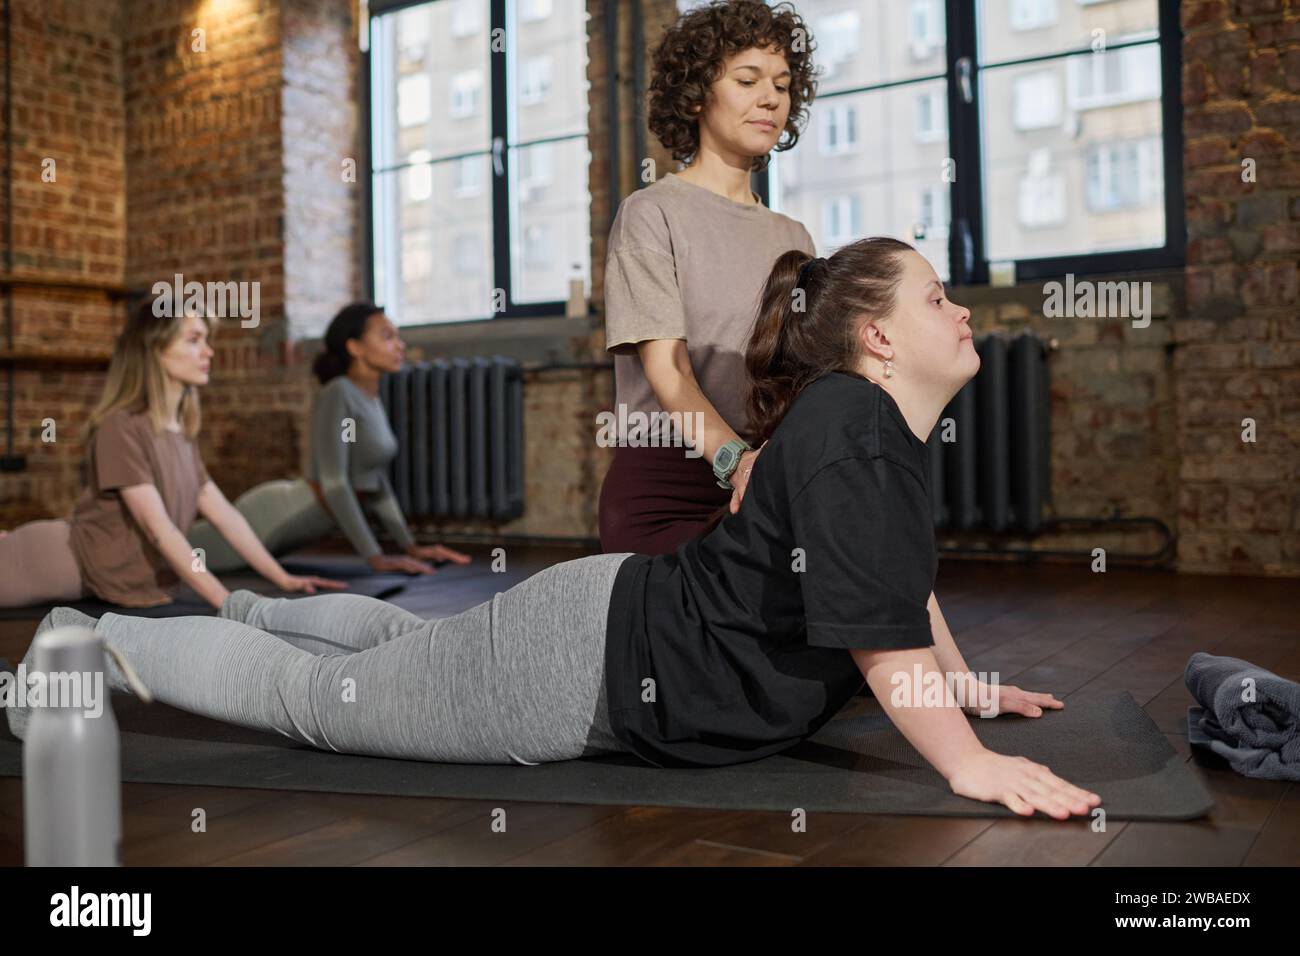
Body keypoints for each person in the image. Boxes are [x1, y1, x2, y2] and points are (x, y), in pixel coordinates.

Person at [5, 239, 1102, 819]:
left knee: (398, 645)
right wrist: (964, 762)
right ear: (875, 334)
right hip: (577, 669)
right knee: (310, 704)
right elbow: (879, 630)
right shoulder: (853, 426)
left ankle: (241, 608)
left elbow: (899, 591)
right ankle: (85, 642)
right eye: (939, 298)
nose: (963, 313)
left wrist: (962, 685)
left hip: (603, 625)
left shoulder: (869, 432)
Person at [598, 0, 817, 555]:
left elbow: (801, 378)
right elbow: (668, 370)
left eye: (783, 85)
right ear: (696, 94)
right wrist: (732, 460)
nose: (771, 97)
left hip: (761, 480)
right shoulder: (651, 214)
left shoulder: (796, 237)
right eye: (748, 79)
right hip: (666, 485)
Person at [0, 300, 346, 610]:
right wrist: (229, 603)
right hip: (45, 561)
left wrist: (282, 579)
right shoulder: (121, 428)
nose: (209, 352)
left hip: (97, 574)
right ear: (155, 350)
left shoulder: (180, 433)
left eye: (206, 340)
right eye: (194, 340)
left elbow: (226, 516)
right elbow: (159, 530)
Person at [186, 302, 471, 576]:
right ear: (354, 347)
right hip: (276, 516)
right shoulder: (338, 393)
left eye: (398, 337)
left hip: (301, 525)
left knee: (175, 551)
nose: (400, 345)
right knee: (177, 552)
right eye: (387, 337)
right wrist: (376, 558)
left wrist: (411, 547)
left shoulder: (369, 399)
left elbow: (375, 482)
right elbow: (335, 482)